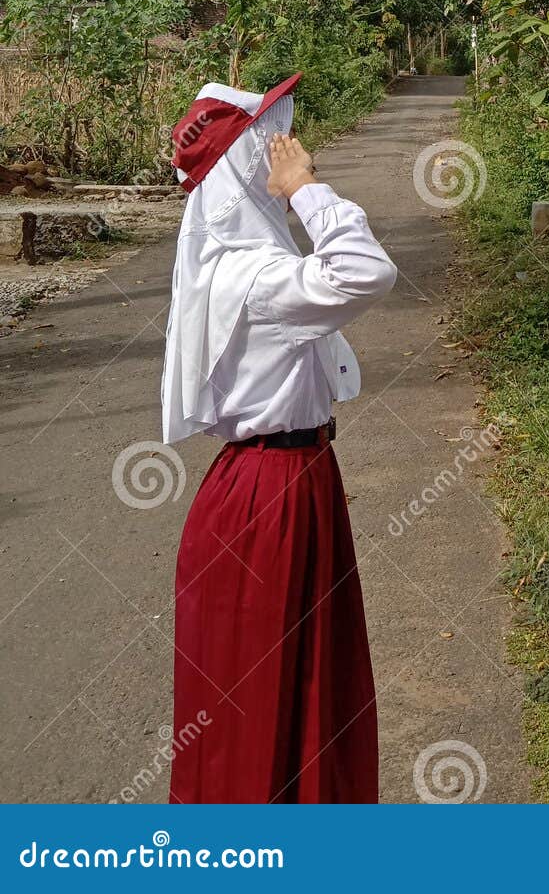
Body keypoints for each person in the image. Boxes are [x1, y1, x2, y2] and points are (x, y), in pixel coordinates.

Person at [160, 75, 397, 803]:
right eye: (266, 146)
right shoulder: (257, 278)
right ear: (241, 172)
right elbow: (366, 271)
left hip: (270, 486)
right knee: (263, 694)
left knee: (290, 685)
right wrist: (306, 190)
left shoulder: (230, 269)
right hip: (271, 500)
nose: (285, 150)